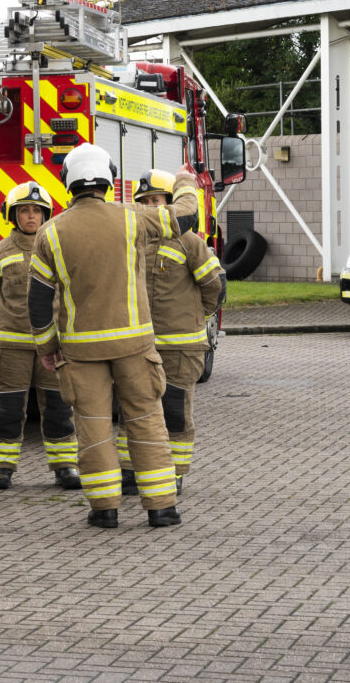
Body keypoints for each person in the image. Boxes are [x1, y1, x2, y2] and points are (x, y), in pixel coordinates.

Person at [28, 142, 200, 529]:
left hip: (80, 350)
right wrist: (186, 181)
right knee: (146, 419)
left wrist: (46, 347)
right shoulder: (132, 217)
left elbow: (38, 300)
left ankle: (104, 509)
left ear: (68, 182)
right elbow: (186, 217)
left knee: (92, 425)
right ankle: (161, 508)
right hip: (134, 346)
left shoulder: (50, 233)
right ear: (108, 179)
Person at [116, 168, 224, 495]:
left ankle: (174, 472)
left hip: (180, 349)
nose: (153, 206)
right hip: (140, 347)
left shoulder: (189, 242)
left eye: (158, 199)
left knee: (175, 412)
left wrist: (194, 317)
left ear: (170, 202)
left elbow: (214, 287)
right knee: (132, 411)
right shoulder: (131, 241)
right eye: (146, 201)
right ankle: (131, 472)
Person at [0, 181, 81, 491]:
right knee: (7, 408)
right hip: (10, 346)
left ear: (46, 214)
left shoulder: (59, 248)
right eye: (24, 211)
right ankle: (2, 468)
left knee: (60, 408)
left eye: (37, 211)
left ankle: (65, 467)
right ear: (13, 215)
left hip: (53, 345)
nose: (31, 217)